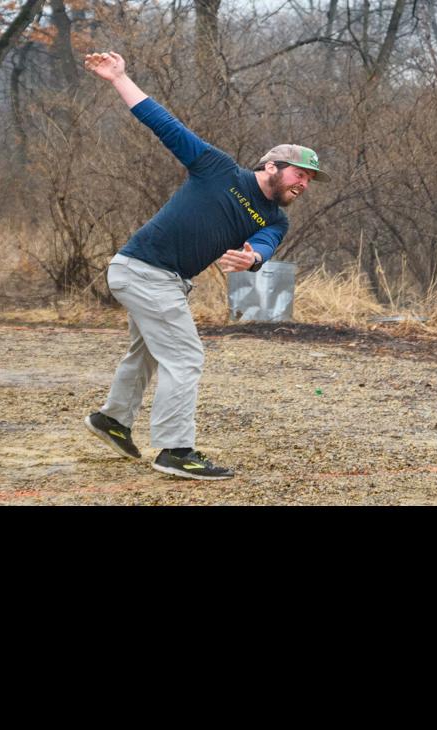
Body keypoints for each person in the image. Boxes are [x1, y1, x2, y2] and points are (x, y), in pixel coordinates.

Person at [78, 51, 326, 480]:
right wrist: (119, 77)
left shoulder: (275, 218)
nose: (303, 184)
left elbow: (265, 245)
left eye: (309, 180)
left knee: (148, 353)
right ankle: (176, 450)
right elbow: (163, 123)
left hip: (163, 280)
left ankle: (112, 420)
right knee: (186, 357)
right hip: (143, 270)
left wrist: (254, 258)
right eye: (299, 174)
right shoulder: (217, 169)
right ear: (272, 166)